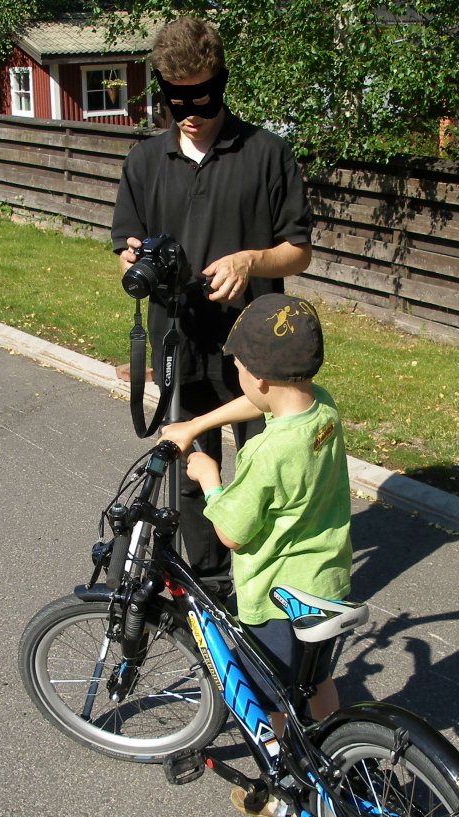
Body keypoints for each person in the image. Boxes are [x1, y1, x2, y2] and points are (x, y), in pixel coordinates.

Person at [111, 16, 312, 584]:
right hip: (178, 338)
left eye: (201, 95)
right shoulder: (144, 162)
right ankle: (207, 580)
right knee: (191, 463)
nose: (190, 111)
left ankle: (268, 582)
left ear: (221, 79)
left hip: (256, 345)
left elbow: (298, 251)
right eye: (177, 100)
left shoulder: (267, 153)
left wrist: (250, 261)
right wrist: (130, 260)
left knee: (263, 467)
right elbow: (125, 245)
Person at [160, 293, 352, 817]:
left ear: (261, 378)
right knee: (316, 682)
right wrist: (198, 425)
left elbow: (232, 533)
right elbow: (262, 402)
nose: (237, 376)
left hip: (277, 600)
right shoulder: (321, 408)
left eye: (239, 368)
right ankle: (335, 750)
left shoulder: (266, 452)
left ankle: (288, 788)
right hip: (327, 583)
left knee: (272, 700)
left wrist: (209, 477)